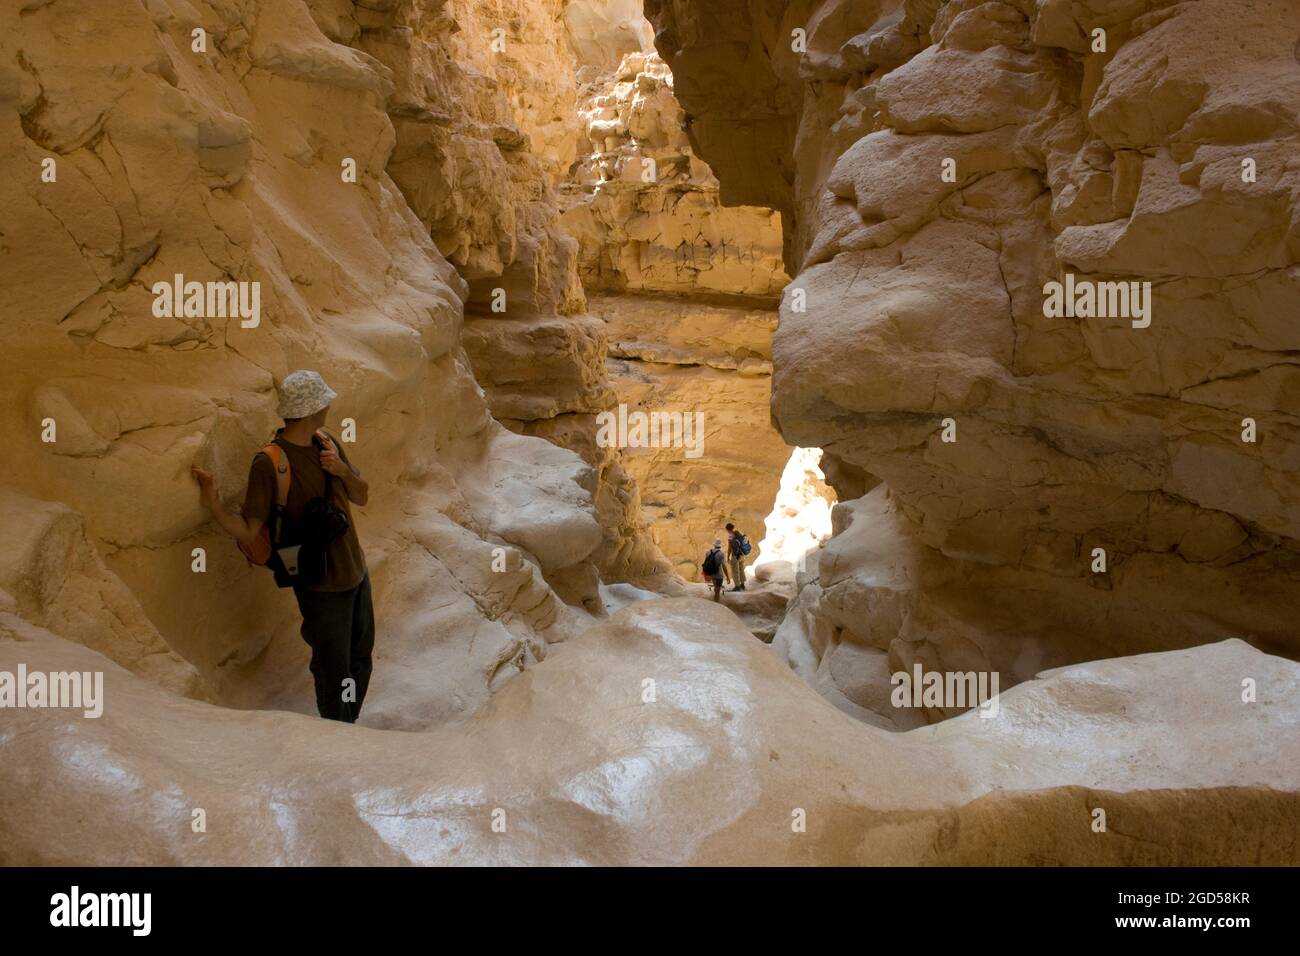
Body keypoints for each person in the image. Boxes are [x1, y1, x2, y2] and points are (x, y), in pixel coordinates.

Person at [191, 370, 374, 723]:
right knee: (332, 669)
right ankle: (340, 734)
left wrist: (341, 471)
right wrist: (212, 501)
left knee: (360, 657)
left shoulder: (327, 443)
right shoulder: (270, 463)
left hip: (355, 570)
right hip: (320, 584)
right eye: (324, 401)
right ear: (311, 409)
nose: (330, 404)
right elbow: (247, 531)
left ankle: (347, 726)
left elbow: (362, 494)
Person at [725, 523, 748, 592]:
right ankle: (742, 585)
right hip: (742, 555)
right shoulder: (739, 533)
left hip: (735, 556)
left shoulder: (730, 535)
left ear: (727, 529)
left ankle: (737, 586)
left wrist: (728, 556)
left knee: (735, 571)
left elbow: (729, 547)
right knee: (741, 569)